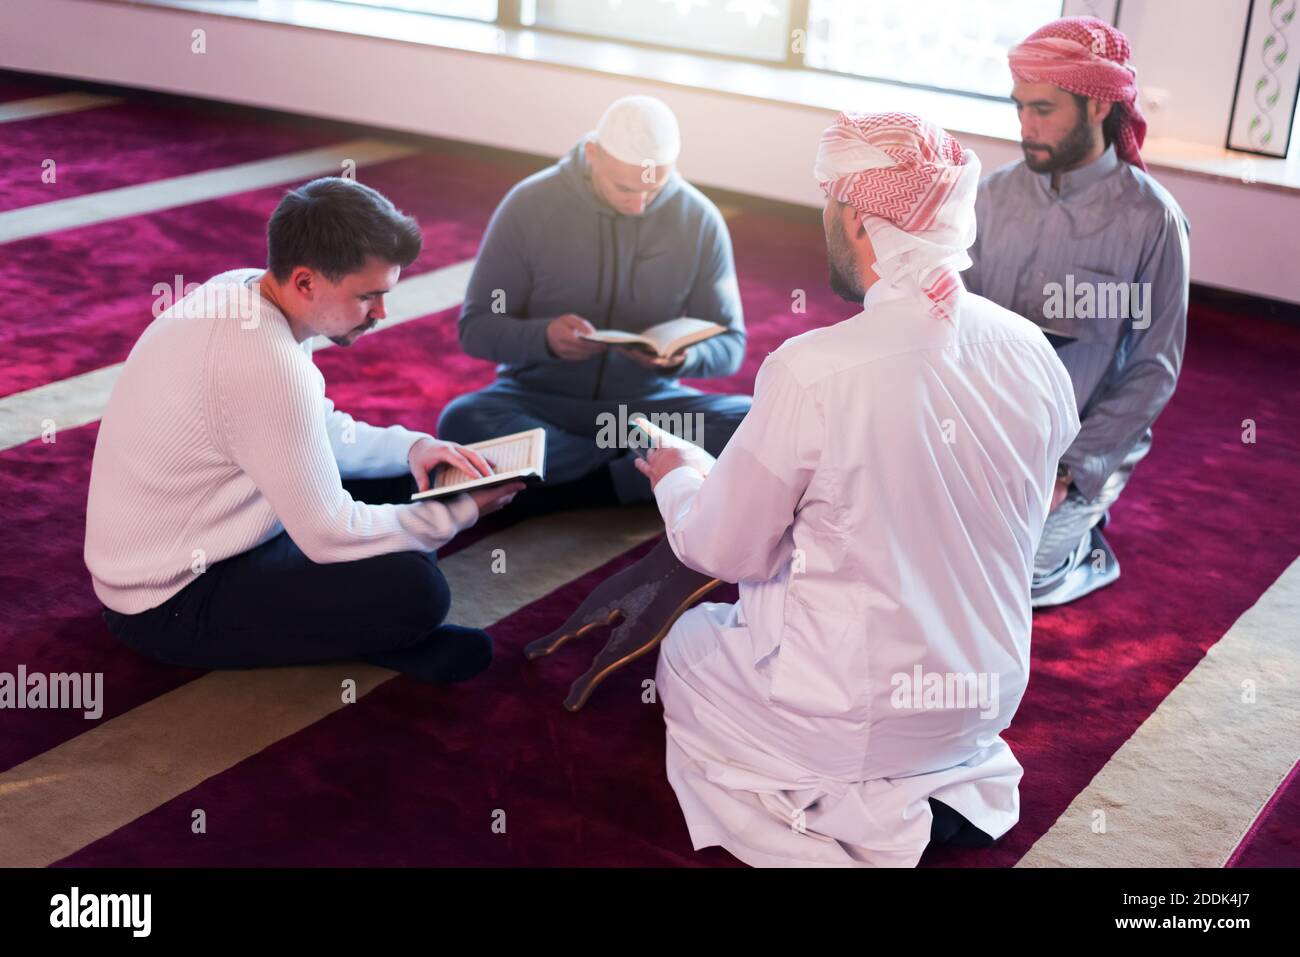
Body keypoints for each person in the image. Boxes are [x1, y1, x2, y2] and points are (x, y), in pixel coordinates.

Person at [549, 111, 1079, 866]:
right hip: (984, 698)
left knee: (691, 650)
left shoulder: (813, 367)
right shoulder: (1029, 347)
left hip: (845, 713)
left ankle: (855, 804)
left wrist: (681, 479)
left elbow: (721, 549)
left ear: (861, 224)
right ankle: (927, 787)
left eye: (829, 204)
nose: (823, 221)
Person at [85, 177, 522, 683]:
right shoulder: (264, 362)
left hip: (223, 529)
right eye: (369, 296)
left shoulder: (245, 288)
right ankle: (373, 634)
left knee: (419, 478)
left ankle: (342, 619)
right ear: (306, 282)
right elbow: (328, 534)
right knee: (415, 590)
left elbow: (308, 427)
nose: (383, 313)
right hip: (170, 601)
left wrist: (414, 448)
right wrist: (459, 513)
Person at [964, 15, 1190, 607]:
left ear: (1096, 105)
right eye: (1019, 107)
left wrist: (1067, 470)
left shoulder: (1153, 221)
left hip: (1079, 445)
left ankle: (1088, 548)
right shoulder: (994, 195)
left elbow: (1152, 371)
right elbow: (957, 326)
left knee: (1011, 583)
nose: (1024, 125)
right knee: (916, 548)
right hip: (987, 432)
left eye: (1043, 109)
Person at [437, 95, 751, 514]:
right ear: (593, 155)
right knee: (463, 420)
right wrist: (544, 338)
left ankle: (558, 484)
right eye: (625, 188)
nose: (639, 205)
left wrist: (681, 359)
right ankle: (633, 476)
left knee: (754, 422)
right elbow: (475, 327)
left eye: (653, 189)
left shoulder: (699, 219)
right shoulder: (529, 205)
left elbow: (731, 344)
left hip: (641, 413)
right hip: (537, 400)